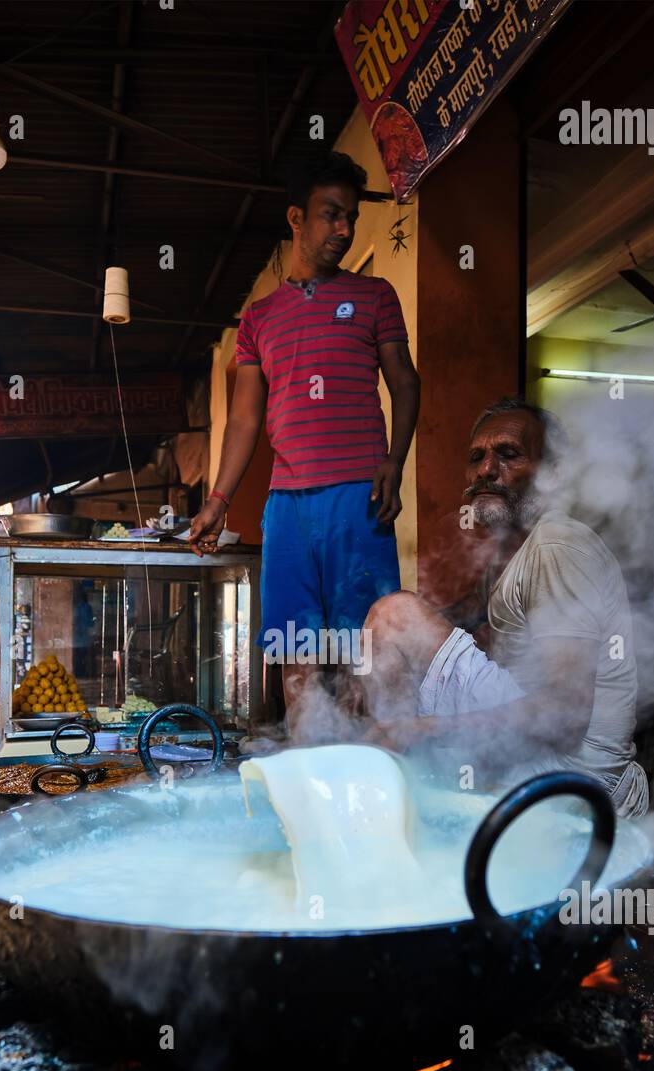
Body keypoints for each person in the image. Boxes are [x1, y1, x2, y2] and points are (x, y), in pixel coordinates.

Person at [188, 150, 420, 736]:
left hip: (357, 501)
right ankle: (309, 785)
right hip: (288, 509)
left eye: (349, 218)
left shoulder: (375, 297)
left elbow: (405, 383)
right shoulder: (258, 319)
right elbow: (244, 421)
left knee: (366, 656)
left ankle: (374, 787)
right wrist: (217, 499)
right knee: (299, 661)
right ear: (297, 218)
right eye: (331, 215)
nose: (343, 229)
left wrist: (395, 459)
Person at [361, 397, 649, 818]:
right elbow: (462, 616)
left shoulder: (559, 544)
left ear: (553, 473)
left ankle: (400, 788)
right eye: (476, 457)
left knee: (394, 615)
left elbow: (563, 715)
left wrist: (418, 729)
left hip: (579, 775)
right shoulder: (510, 550)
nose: (486, 470)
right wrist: (367, 664)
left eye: (508, 455)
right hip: (539, 752)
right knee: (388, 622)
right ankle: (402, 781)